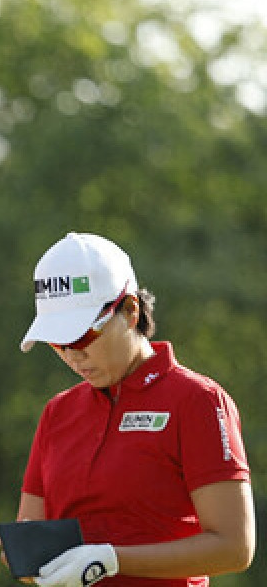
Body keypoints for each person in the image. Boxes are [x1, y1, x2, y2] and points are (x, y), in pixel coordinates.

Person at [15, 232, 254, 587]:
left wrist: (112, 559)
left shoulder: (197, 401)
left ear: (130, 311)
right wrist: (31, 562)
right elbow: (30, 540)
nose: (72, 355)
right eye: (58, 343)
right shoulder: (58, 412)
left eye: (82, 337)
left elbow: (234, 547)